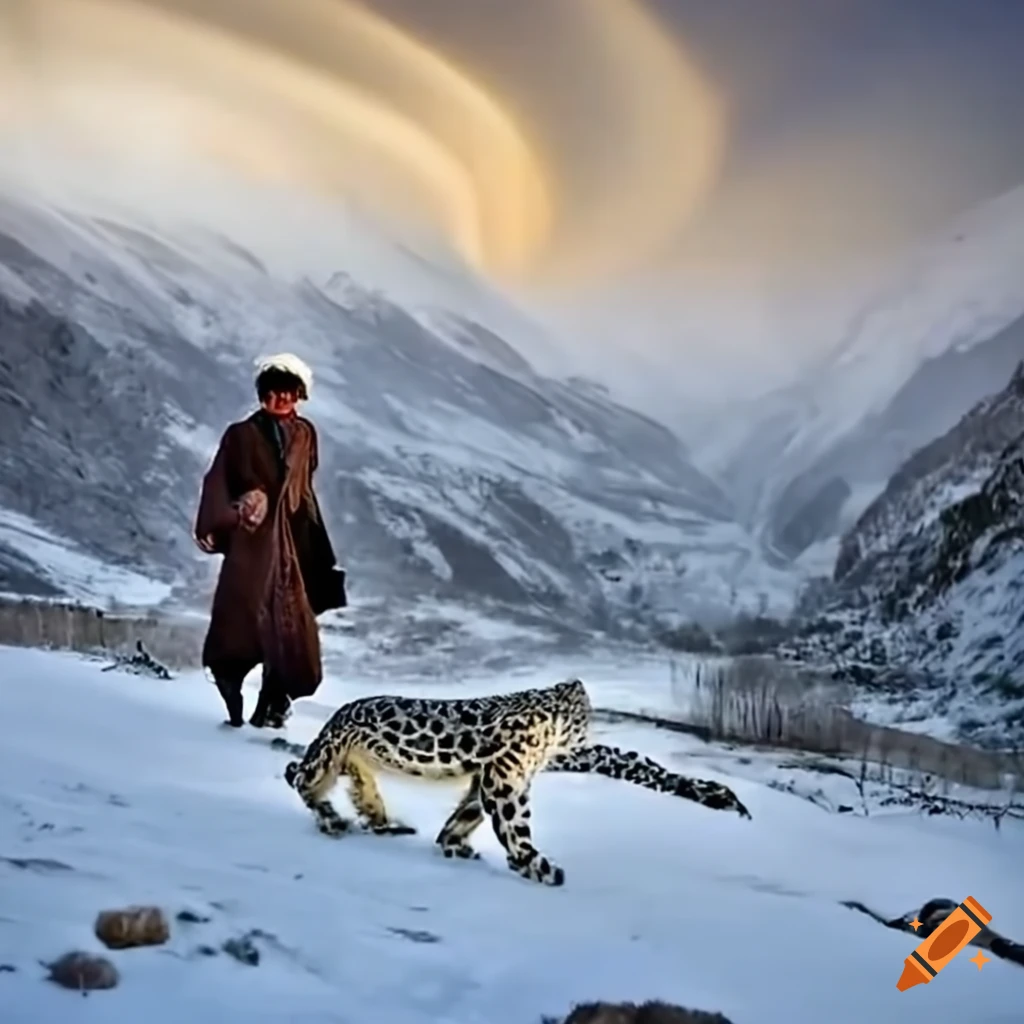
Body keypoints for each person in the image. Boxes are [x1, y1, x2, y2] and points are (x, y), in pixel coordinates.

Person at [193, 353, 347, 728]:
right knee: (242, 619)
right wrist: (229, 513)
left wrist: (315, 542)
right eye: (274, 393)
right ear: (262, 395)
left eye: (289, 394)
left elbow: (303, 486)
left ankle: (272, 705)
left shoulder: (305, 434)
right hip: (254, 543)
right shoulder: (241, 435)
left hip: (295, 540)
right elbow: (219, 480)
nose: (281, 401)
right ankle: (232, 694)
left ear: (298, 396)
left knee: (292, 627)